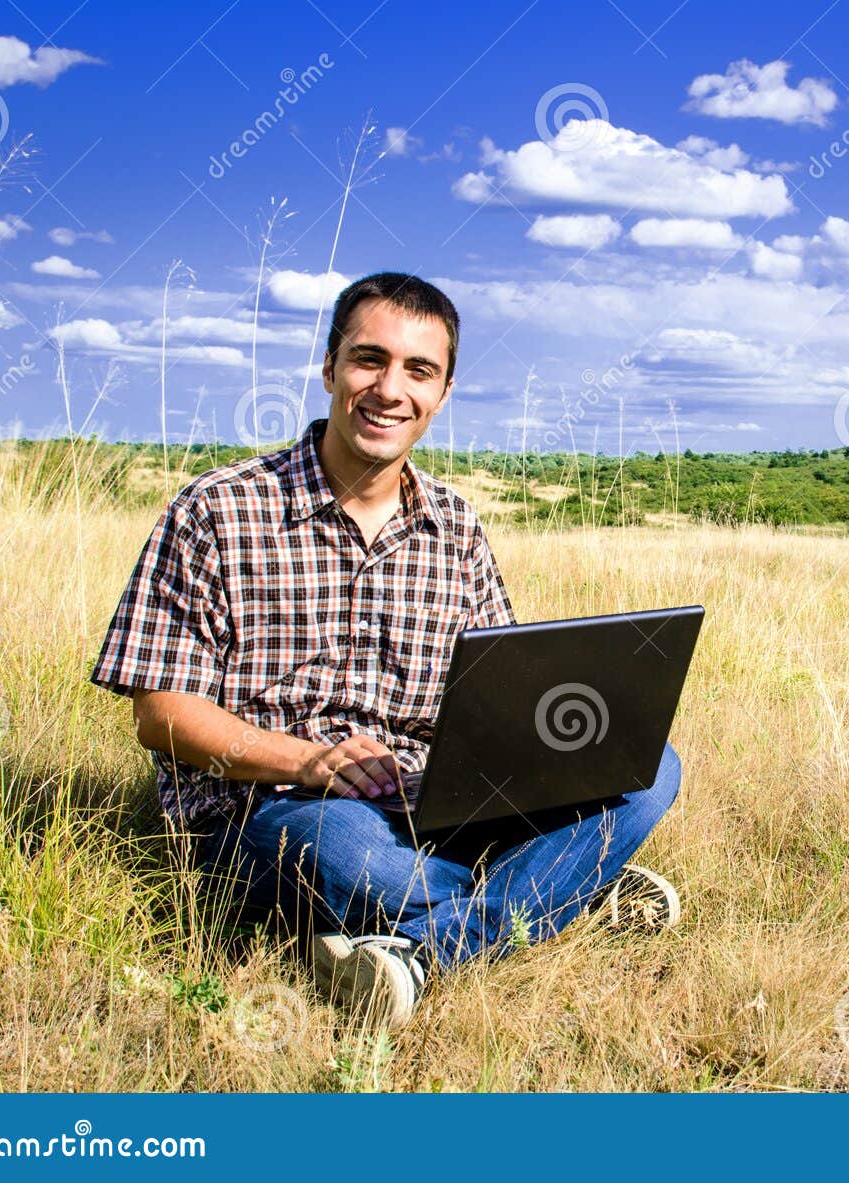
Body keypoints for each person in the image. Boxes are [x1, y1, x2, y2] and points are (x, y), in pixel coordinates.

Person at [91, 272, 681, 1028]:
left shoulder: (456, 527)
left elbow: (495, 695)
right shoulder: (217, 508)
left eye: (418, 370)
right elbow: (161, 714)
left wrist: (530, 751)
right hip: (276, 804)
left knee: (649, 763)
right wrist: (306, 761)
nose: (389, 389)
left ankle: (418, 947)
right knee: (352, 855)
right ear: (330, 366)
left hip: (431, 796)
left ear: (444, 390)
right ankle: (562, 891)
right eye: (369, 359)